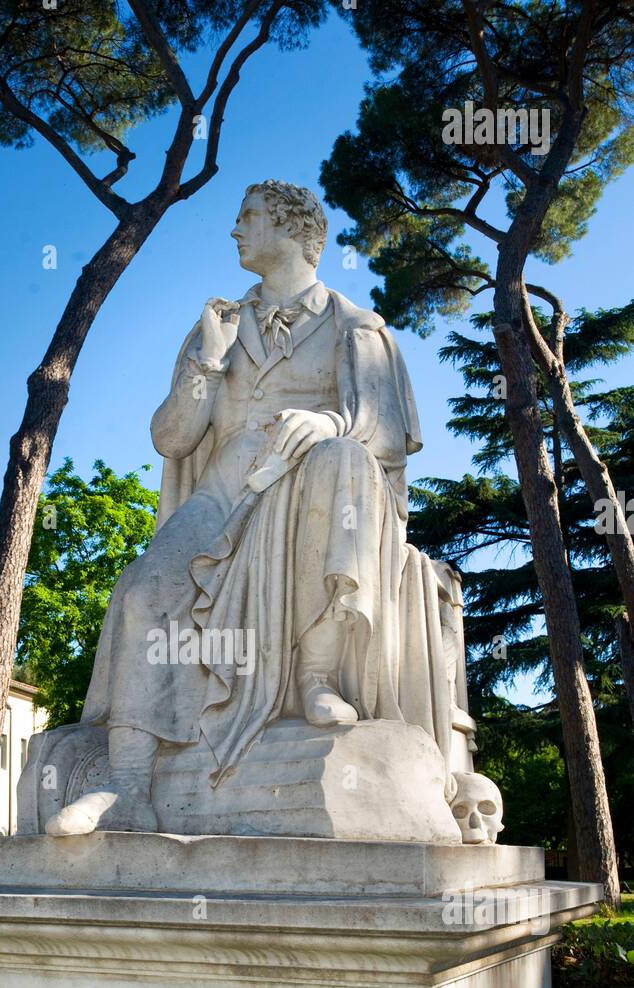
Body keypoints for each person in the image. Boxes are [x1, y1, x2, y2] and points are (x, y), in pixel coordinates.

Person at [49, 180, 456, 836]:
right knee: (146, 586)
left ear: (294, 229)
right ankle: (128, 787)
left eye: (248, 218)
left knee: (343, 460)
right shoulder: (219, 324)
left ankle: (315, 676)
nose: (235, 231)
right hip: (224, 490)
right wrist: (207, 362)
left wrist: (330, 425)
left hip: (315, 487)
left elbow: (385, 430)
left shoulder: (358, 329)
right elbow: (173, 438)